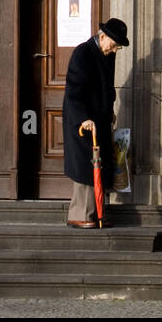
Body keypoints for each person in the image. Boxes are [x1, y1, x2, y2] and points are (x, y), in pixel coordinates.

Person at [62, 17, 128, 228]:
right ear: (103, 37)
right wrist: (83, 118)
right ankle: (80, 214)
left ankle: (97, 214)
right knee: (85, 167)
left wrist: (110, 110)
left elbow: (107, 88)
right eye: (114, 45)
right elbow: (74, 89)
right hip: (83, 121)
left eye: (118, 47)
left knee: (100, 165)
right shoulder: (83, 53)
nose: (115, 50)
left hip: (100, 119)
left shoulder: (107, 54)